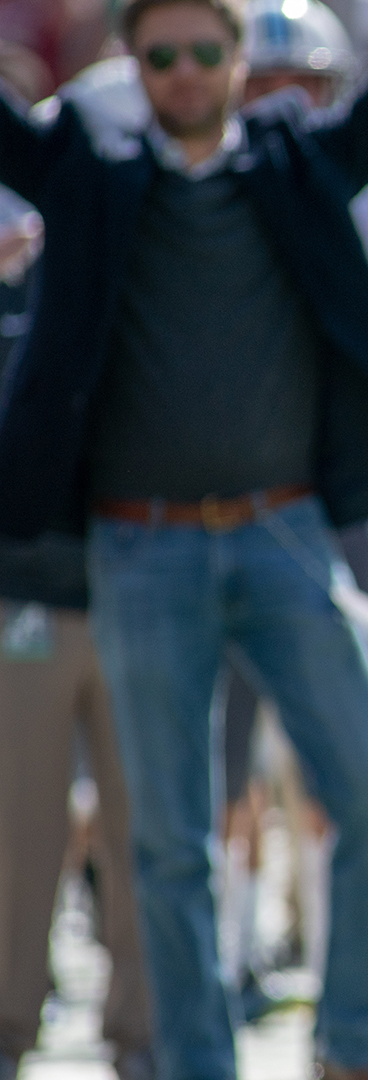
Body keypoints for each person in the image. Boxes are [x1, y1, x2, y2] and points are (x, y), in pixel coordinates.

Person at [0, 0, 368, 1070]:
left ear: (242, 61)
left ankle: (351, 1044)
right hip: (138, 548)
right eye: (163, 55)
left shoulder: (300, 165)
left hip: (285, 535)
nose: (186, 72)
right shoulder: (86, 174)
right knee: (168, 844)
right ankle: (198, 1062)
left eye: (207, 50)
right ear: (131, 64)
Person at [0, 186, 152, 1080]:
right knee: (21, 838)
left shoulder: (143, 292)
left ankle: (142, 1032)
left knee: (153, 834)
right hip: (22, 605)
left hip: (141, 597)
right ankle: (9, 1027)